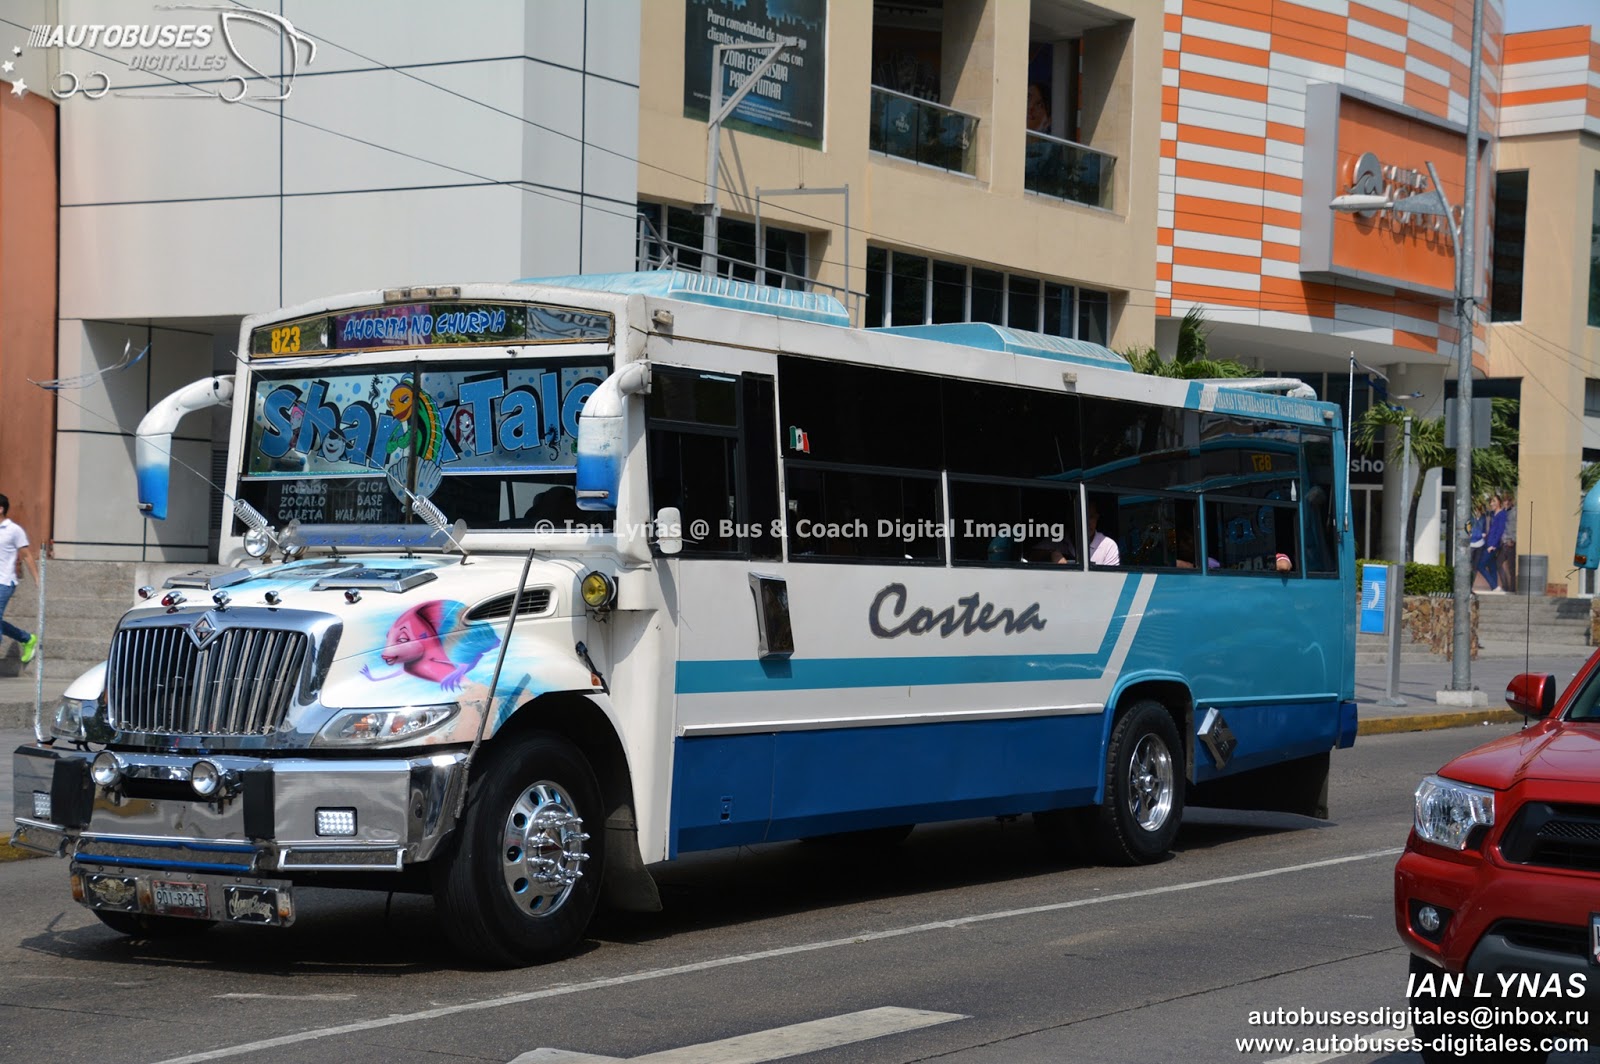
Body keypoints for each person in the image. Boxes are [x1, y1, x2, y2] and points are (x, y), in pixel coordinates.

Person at [0, 493, 40, 665]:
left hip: (5, 581)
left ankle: (26, 638)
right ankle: (26, 638)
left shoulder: (14, 530)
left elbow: (26, 555)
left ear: (1, 509)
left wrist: (37, 578)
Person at [1477, 494, 1506, 592]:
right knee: (1492, 567)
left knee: (1480, 566)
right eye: (1491, 502)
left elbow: (1499, 531)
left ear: (1499, 502)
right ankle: (1495, 588)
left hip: (1492, 545)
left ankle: (1494, 586)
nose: (1492, 503)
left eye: (1494, 501)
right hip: (1488, 543)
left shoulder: (1501, 514)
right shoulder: (1493, 514)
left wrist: (1493, 545)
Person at [1085, 501, 1119, 567]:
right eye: (1083, 517)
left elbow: (1111, 576)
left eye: (1091, 517)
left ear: (1097, 518)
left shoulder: (1108, 546)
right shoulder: (1061, 543)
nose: (1087, 522)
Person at [1498, 493, 1517, 592]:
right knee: (1498, 564)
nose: (1507, 502)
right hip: (1504, 542)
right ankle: (1505, 586)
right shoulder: (1504, 512)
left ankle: (1512, 589)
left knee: (1511, 568)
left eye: (1509, 500)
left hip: (1511, 543)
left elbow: (1518, 526)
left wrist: (1513, 540)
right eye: (1505, 500)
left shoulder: (1515, 512)